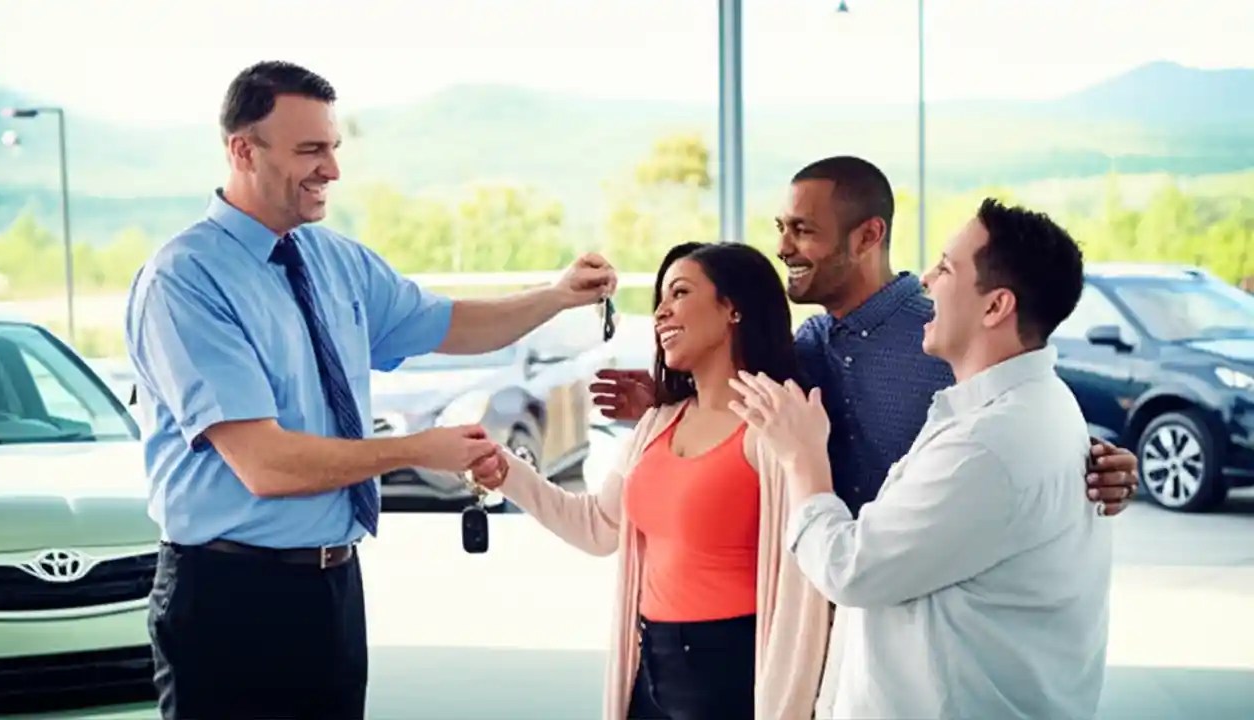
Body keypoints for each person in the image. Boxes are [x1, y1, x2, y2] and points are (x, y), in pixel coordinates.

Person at [123, 61, 616, 720]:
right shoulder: (185, 281)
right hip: (227, 596)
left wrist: (556, 297)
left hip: (330, 588)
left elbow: (454, 324)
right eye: (310, 150)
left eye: (332, 148)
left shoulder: (335, 261)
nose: (331, 168)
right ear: (242, 150)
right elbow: (264, 464)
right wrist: (416, 449)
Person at [591, 156, 1139, 518]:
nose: (783, 249)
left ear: (868, 236)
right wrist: (665, 404)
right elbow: (739, 424)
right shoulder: (801, 345)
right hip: (813, 611)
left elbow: (1030, 426)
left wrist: (1100, 464)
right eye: (781, 229)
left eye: (803, 231)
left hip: (912, 617)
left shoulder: (947, 340)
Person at [732, 198, 1113, 719]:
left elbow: (851, 569)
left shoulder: (986, 446)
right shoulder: (1032, 406)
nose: (927, 279)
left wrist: (803, 461)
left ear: (995, 306)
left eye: (946, 267)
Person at [471, 242, 831, 720]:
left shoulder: (777, 424)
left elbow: (811, 575)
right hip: (652, 666)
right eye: (660, 298)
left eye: (679, 293)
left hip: (732, 671)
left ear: (733, 309)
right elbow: (599, 526)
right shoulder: (659, 422)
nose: (660, 312)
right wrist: (505, 471)